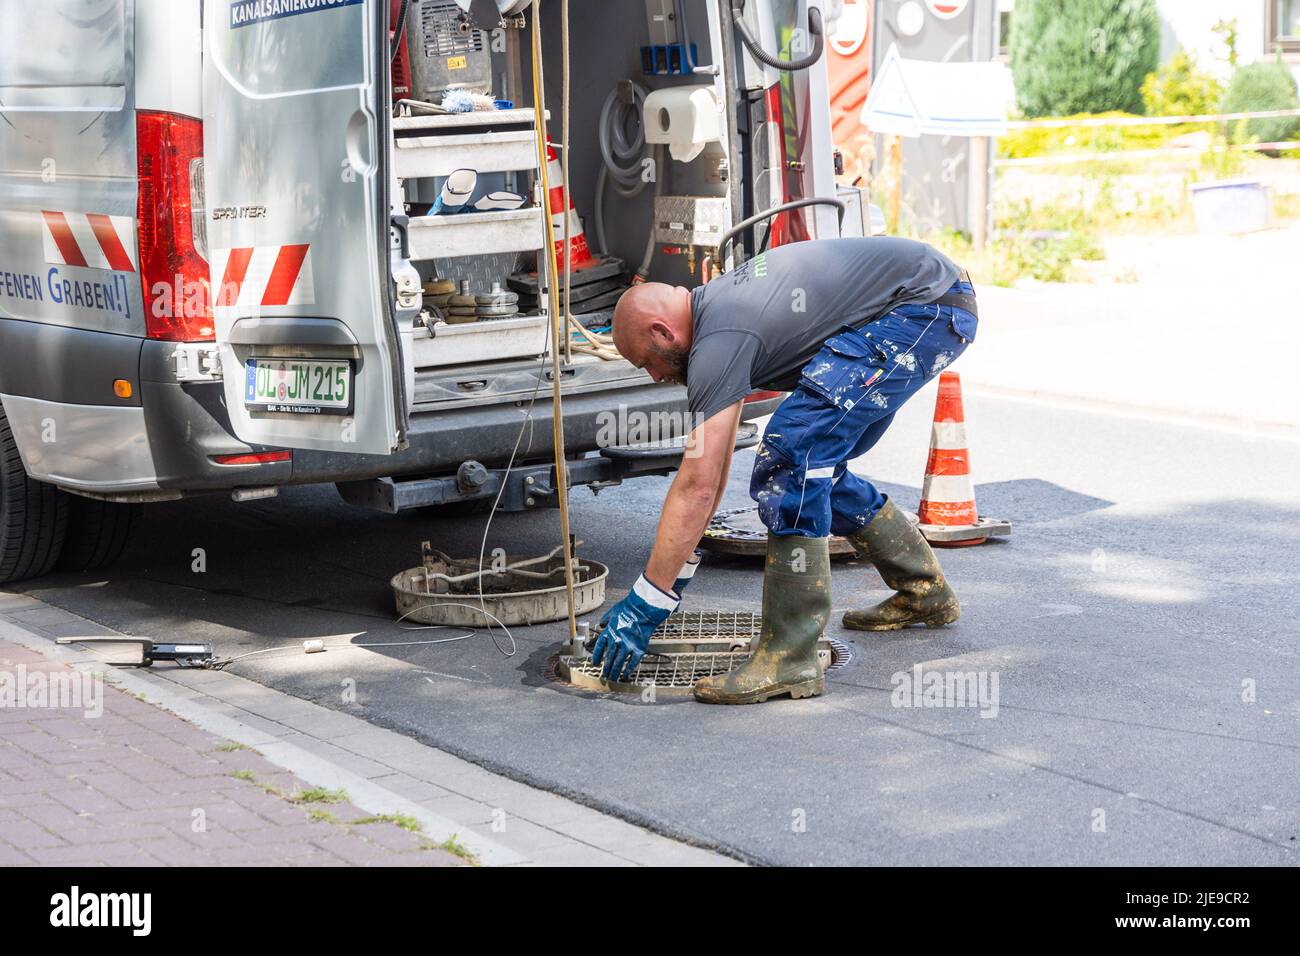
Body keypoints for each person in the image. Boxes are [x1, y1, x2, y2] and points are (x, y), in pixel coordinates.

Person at [590, 237, 978, 704]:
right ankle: (923, 591)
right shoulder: (719, 315)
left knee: (791, 458)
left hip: (924, 306)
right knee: (815, 469)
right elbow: (712, 472)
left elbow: (697, 485)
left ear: (662, 332)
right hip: (925, 300)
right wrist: (675, 571)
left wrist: (647, 599)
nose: (653, 375)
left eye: (646, 362)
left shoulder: (719, 339)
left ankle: (789, 658)